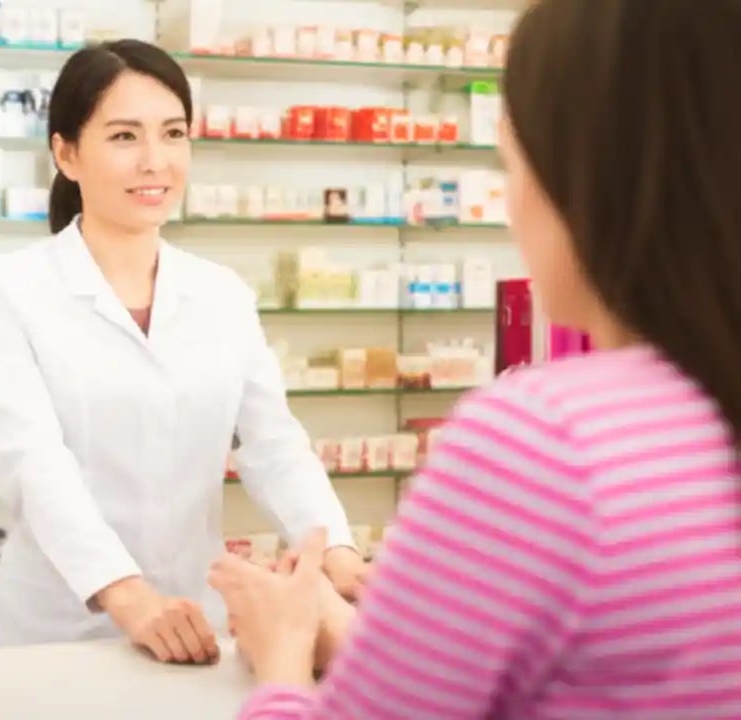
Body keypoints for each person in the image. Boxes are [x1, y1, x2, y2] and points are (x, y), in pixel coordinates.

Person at [211, 0, 741, 716]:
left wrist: (282, 658)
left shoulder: (546, 442)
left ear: (586, 180)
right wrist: (368, 643)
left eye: (510, 163)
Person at [0, 39, 368, 665]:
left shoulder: (221, 294)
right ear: (66, 153)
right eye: (125, 137)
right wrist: (127, 595)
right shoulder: (10, 290)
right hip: (51, 634)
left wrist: (336, 552)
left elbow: (274, 446)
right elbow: (34, 467)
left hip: (191, 628)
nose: (155, 161)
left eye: (173, 133)